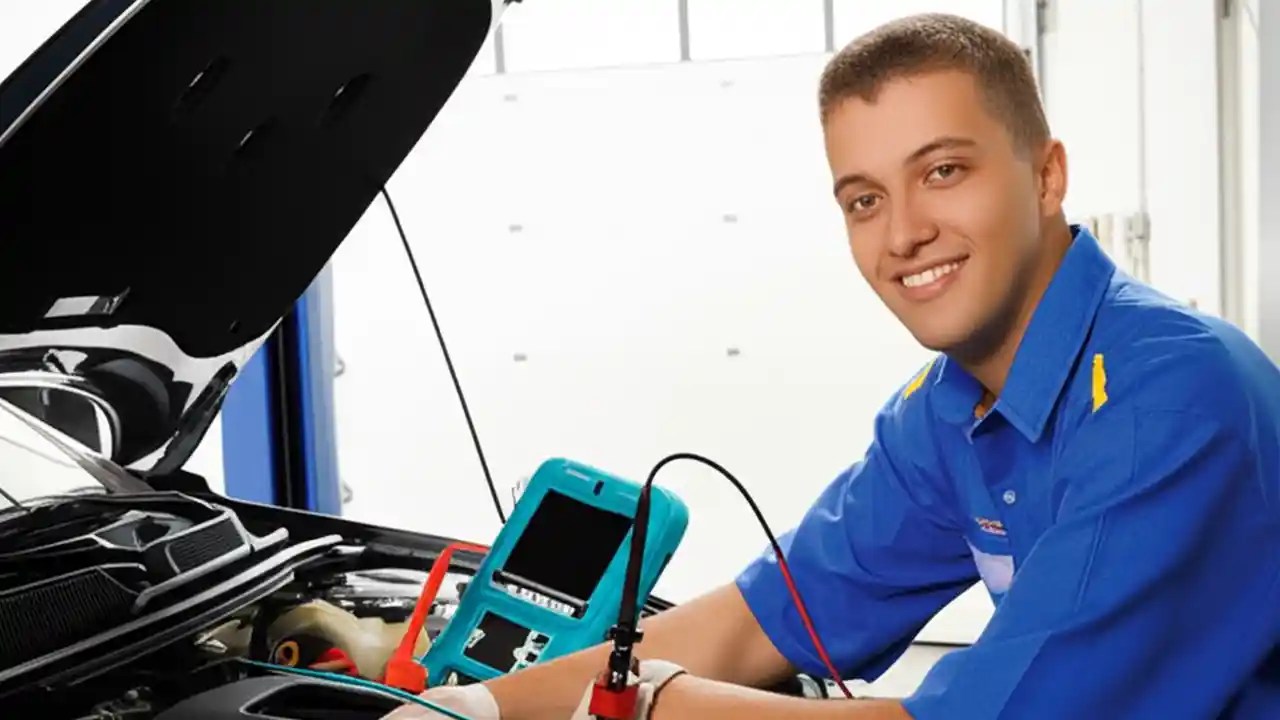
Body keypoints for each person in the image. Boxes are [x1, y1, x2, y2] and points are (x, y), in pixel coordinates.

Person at [384, 12, 1280, 720]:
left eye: (943, 171)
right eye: (864, 198)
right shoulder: (947, 412)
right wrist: (469, 705)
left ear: (1046, 177)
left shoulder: (1169, 407)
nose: (902, 234)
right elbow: (754, 623)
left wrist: (662, 705)